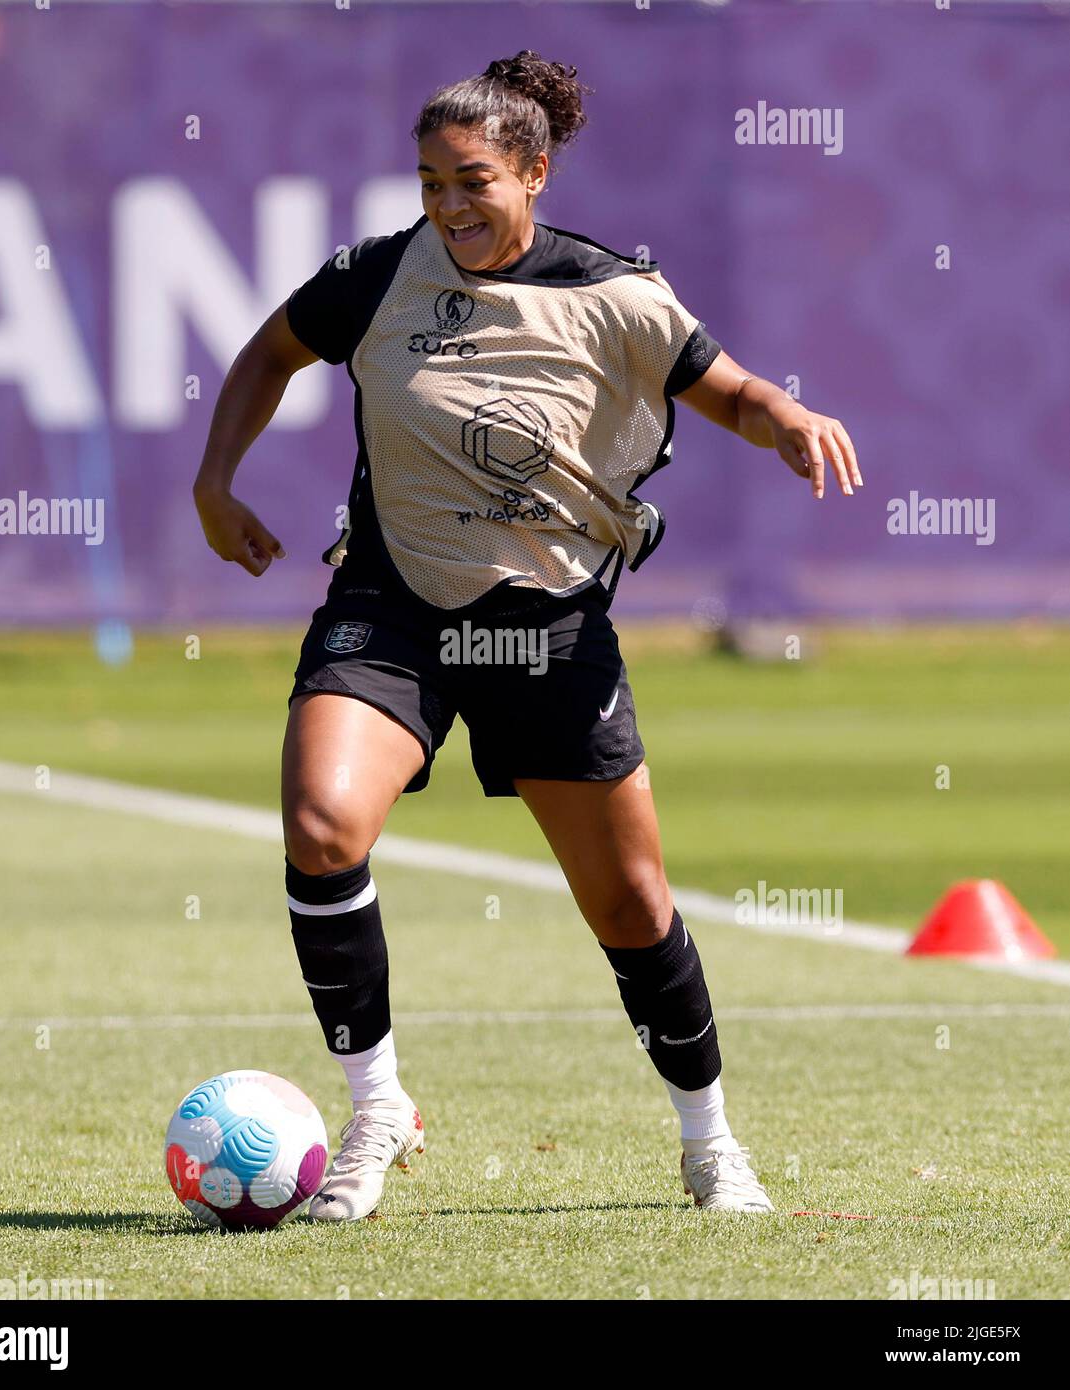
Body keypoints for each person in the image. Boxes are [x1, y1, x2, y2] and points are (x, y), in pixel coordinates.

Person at [193, 50, 861, 1221]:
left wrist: (790, 418)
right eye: (428, 182)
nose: (447, 206)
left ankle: (709, 1140)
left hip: (546, 629)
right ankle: (376, 1108)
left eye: (472, 181)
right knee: (319, 823)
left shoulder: (617, 294)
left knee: (630, 907)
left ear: (535, 174)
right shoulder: (376, 276)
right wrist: (215, 479)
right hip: (390, 607)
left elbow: (733, 391)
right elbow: (268, 352)